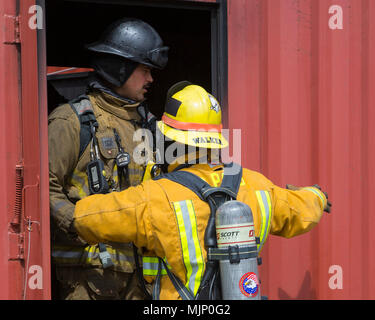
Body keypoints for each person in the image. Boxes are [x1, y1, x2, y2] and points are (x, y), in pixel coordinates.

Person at [73, 83, 331, 300]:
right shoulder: (258, 186)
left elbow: (86, 219)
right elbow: (301, 210)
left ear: (170, 140)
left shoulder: (155, 196)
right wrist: (316, 196)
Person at [48, 18, 168, 300]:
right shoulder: (72, 121)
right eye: (145, 70)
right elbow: (42, 187)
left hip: (141, 284)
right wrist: (78, 222)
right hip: (85, 284)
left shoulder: (148, 127)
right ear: (120, 68)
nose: (151, 79)